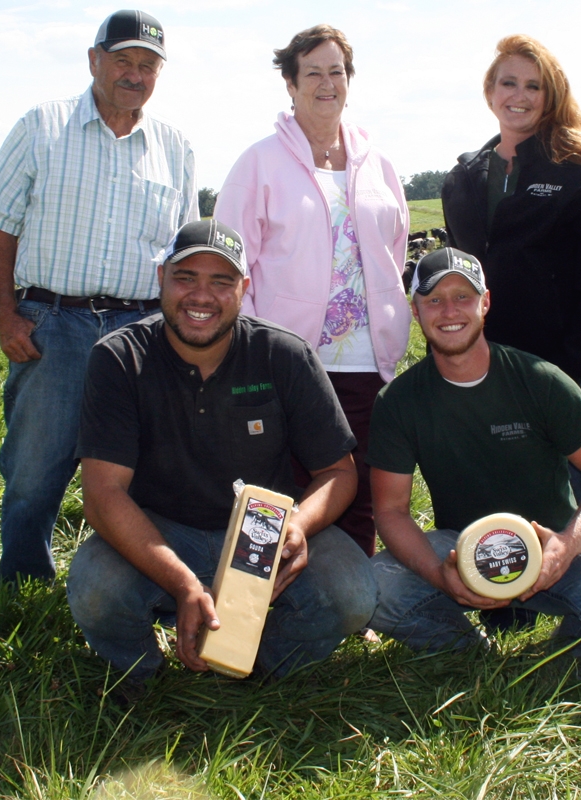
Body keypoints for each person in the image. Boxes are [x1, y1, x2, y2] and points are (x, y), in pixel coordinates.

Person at [66, 219, 377, 689]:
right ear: (161, 280)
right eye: (185, 277)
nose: (201, 296)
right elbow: (103, 495)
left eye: (221, 281)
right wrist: (184, 584)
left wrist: (297, 526)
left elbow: (339, 473)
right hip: (162, 530)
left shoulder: (284, 354)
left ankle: (256, 663)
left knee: (355, 595)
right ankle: (141, 676)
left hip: (262, 533)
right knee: (94, 590)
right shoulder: (119, 358)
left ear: (243, 289)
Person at [0, 10, 197, 583]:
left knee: (144, 468)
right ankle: (23, 579)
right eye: (122, 61)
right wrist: (6, 316)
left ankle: (138, 584)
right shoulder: (41, 127)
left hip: (141, 332)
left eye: (147, 65)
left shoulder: (175, 147)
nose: (134, 74)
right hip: (55, 321)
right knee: (35, 464)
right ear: (94, 60)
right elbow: (0, 226)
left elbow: (183, 255)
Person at [366, 248, 581, 673]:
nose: (449, 311)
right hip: (459, 548)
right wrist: (438, 573)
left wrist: (565, 547)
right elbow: (390, 511)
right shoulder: (398, 401)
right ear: (415, 310)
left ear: (485, 302)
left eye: (463, 297)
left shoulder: (539, 379)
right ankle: (469, 656)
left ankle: (563, 666)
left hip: (551, 544)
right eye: (433, 299)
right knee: (371, 588)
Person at [439, 35, 581, 633]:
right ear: (489, 91)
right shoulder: (465, 177)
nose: (518, 96)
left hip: (561, 366)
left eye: (532, 85)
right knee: (502, 482)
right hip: (487, 365)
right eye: (508, 83)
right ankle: (507, 609)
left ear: (551, 95)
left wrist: (573, 365)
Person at [214, 24, 410, 557]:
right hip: (288, 359)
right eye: (313, 73)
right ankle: (265, 598)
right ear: (291, 84)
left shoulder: (379, 165)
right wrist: (249, 349)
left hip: (366, 360)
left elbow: (395, 252)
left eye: (337, 72)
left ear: (350, 80)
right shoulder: (258, 163)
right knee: (288, 482)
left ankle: (352, 600)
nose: (327, 83)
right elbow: (231, 264)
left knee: (362, 480)